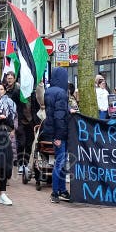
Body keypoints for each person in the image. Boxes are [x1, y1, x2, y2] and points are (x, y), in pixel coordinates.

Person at [44, 67, 71, 203]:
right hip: (61, 133)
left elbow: (53, 113)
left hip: (54, 131)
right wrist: (59, 137)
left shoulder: (49, 91)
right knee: (61, 163)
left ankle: (61, 190)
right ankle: (56, 192)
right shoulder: (61, 93)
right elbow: (59, 117)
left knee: (60, 162)